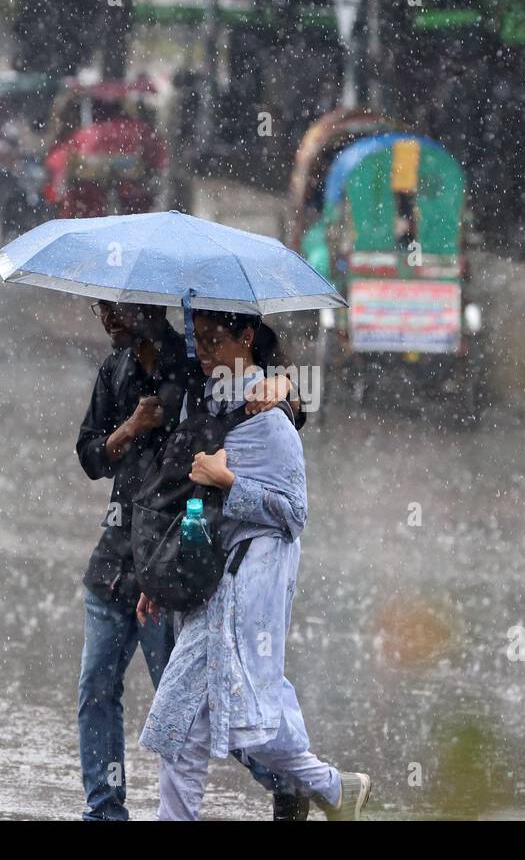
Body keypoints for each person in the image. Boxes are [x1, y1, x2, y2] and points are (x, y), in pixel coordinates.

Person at [75, 300, 307, 820]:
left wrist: (286, 387)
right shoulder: (114, 371)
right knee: (95, 688)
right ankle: (104, 811)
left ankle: (289, 779)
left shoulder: (199, 364)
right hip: (116, 556)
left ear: (148, 307)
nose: (108, 318)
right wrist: (129, 429)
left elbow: (273, 413)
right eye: (100, 307)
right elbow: (90, 454)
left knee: (189, 703)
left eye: (118, 308)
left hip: (175, 557)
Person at [137, 310, 371, 820]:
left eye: (213, 340)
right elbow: (186, 499)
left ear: (245, 337)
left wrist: (229, 483)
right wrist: (162, 574)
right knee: (190, 721)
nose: (203, 350)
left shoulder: (271, 417)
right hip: (208, 582)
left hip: (251, 589)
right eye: (197, 339)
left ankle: (330, 786)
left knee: (236, 717)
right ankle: (333, 789)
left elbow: (294, 513)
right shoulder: (205, 402)